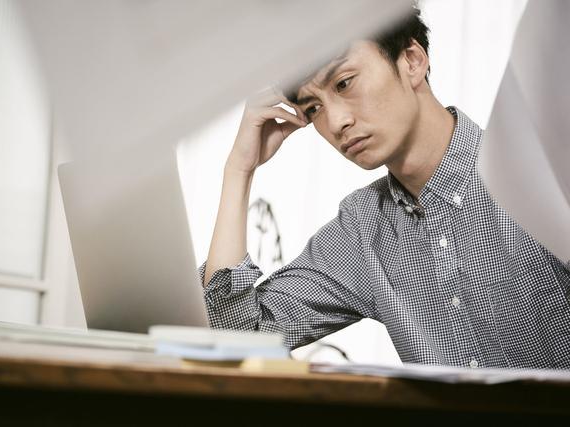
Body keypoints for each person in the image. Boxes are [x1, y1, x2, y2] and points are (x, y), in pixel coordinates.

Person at [199, 6, 570, 369]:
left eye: (344, 83)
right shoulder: (362, 228)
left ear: (412, 60)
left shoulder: (543, 172)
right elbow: (234, 339)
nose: (336, 122)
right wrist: (239, 170)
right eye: (313, 108)